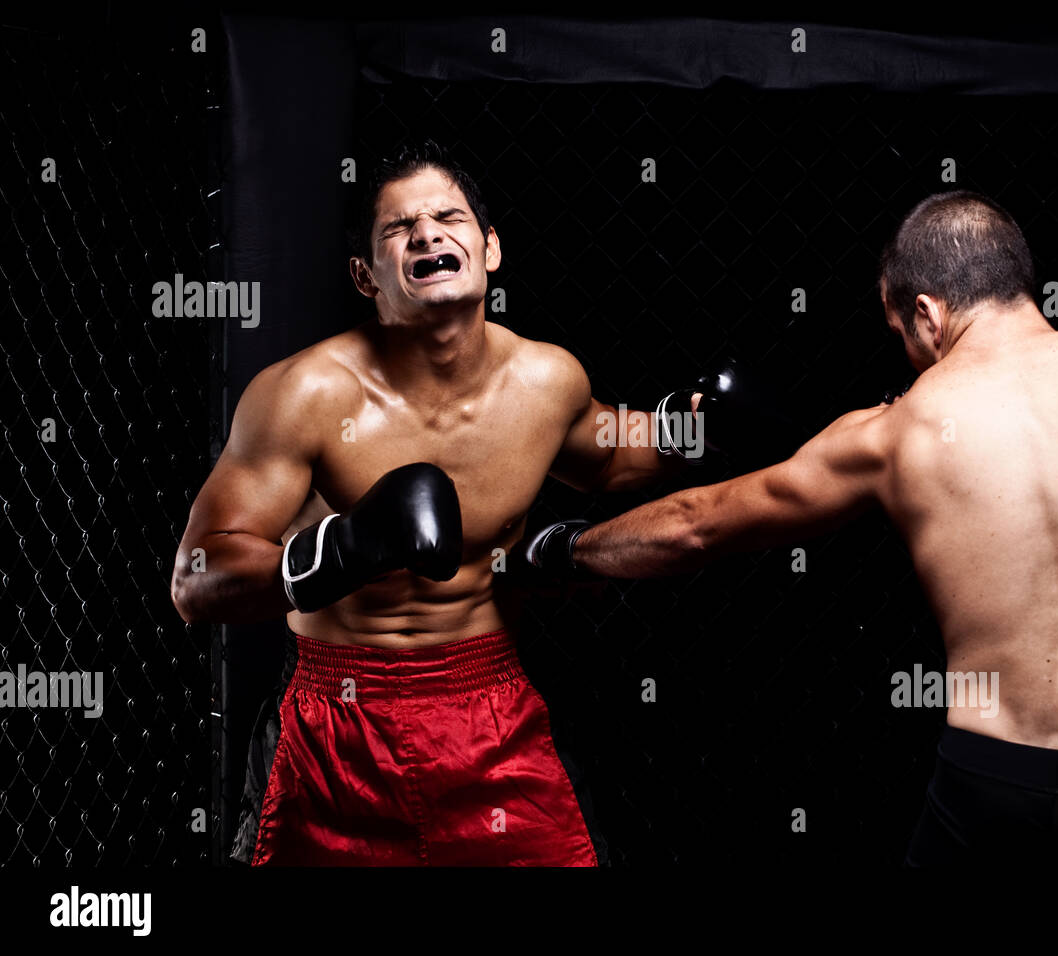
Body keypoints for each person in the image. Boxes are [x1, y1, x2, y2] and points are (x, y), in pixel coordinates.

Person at [525, 191, 1058, 866]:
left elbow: (694, 526)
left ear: (926, 313)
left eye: (902, 338)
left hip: (992, 786)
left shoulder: (892, 434)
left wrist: (560, 551)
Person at [170, 138, 770, 865]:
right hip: (338, 723)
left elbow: (611, 455)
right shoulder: (304, 395)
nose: (427, 234)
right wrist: (347, 548)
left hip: (491, 714)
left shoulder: (546, 381)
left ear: (489, 250)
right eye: (399, 228)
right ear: (366, 277)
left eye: (448, 218)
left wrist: (694, 429)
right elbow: (197, 580)